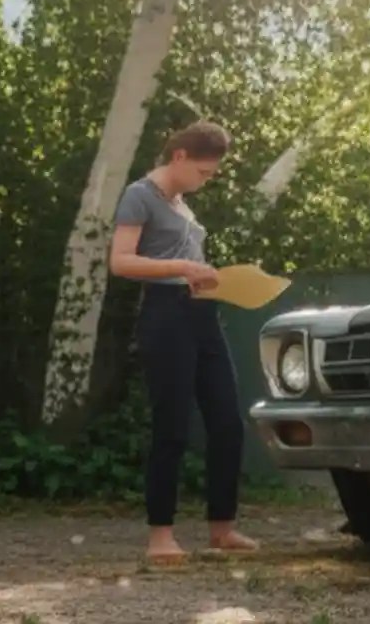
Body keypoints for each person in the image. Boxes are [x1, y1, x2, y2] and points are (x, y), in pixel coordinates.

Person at [109, 120, 258, 564]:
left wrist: (210, 276)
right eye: (204, 172)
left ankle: (222, 528)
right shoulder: (141, 195)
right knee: (171, 426)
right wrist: (182, 268)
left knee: (228, 422)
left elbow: (186, 263)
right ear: (179, 157)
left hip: (202, 315)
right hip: (165, 316)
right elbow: (121, 261)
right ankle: (161, 537)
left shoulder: (180, 203)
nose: (205, 181)